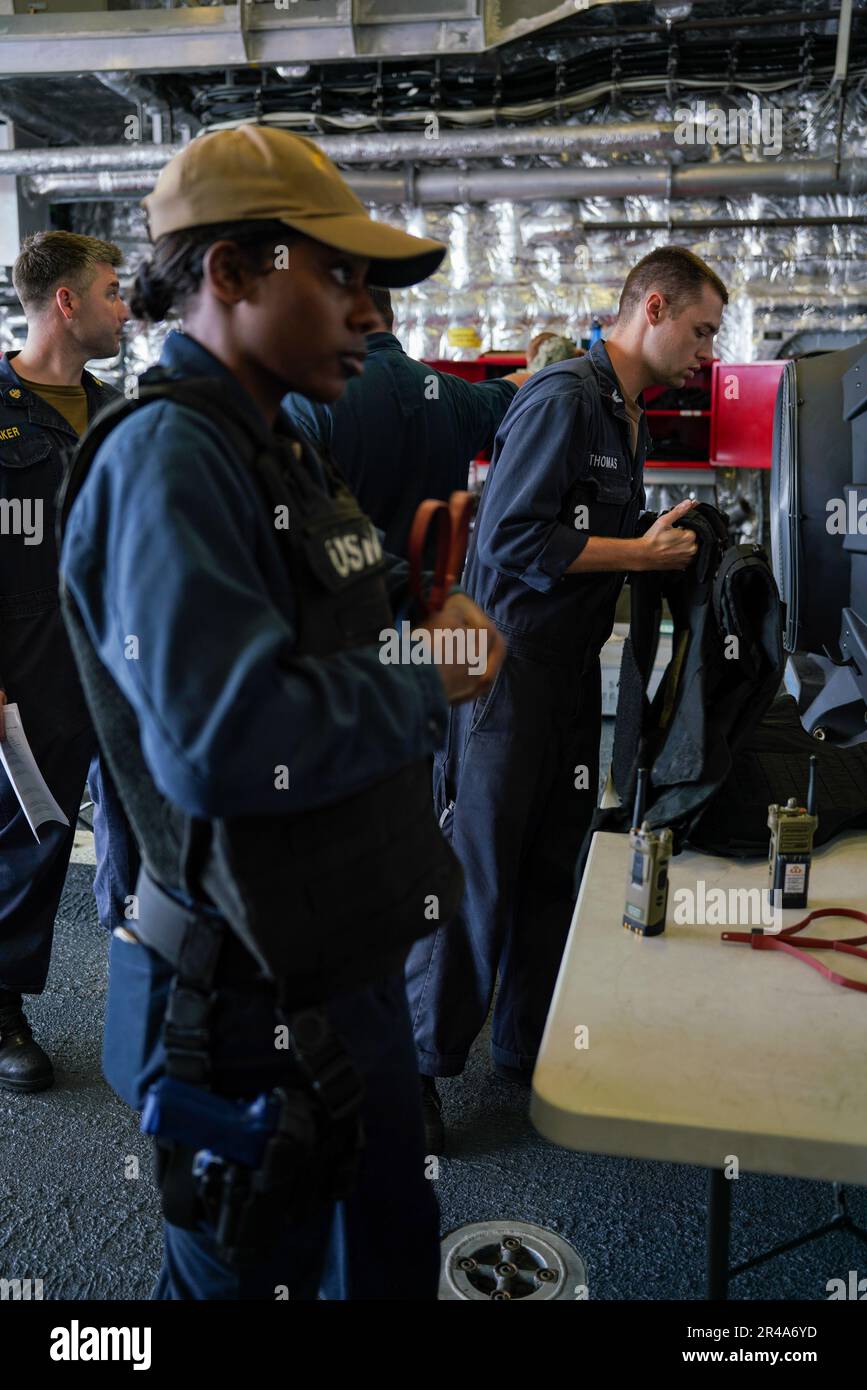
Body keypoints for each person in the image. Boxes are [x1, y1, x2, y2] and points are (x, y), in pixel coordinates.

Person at [58, 125, 505, 1300]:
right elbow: (225, 742)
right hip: (241, 994)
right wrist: (426, 671)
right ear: (231, 274)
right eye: (340, 274)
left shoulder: (277, 455)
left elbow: (313, 634)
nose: (370, 313)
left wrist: (420, 614)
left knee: (377, 1265)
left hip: (330, 967)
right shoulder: (169, 458)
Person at [406, 246, 728, 1142]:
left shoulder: (627, 416)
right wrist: (641, 555)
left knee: (554, 865)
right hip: (502, 676)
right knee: (474, 873)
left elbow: (579, 534)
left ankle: (521, 1044)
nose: (707, 351)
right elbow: (511, 539)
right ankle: (418, 1068)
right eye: (700, 331)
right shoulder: (562, 398)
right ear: (653, 308)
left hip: (565, 672)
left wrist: (660, 540)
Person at [0, 232, 139, 1092]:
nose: (126, 308)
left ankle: (145, 1001)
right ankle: (4, 1009)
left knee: (146, 837)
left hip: (121, 668)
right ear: (67, 302)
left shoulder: (120, 411)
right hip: (29, 667)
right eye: (114, 292)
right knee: (28, 841)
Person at [284, 286, 529, 556]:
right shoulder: (454, 394)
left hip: (350, 591)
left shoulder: (305, 402)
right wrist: (546, 367)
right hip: (437, 592)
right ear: (392, 319)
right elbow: (516, 390)